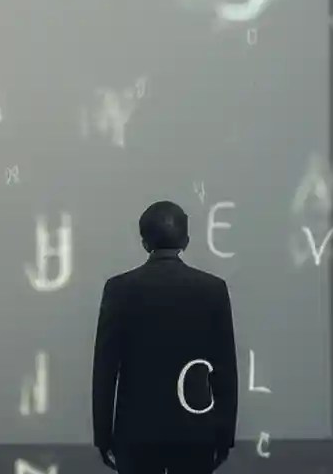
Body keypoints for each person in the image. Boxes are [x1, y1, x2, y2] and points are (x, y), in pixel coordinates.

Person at [92, 201, 238, 473]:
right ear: (186, 239)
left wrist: (103, 435)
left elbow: (106, 369)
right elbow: (224, 369)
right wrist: (224, 436)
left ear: (144, 241)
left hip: (136, 433)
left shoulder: (119, 289)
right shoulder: (212, 289)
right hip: (195, 431)